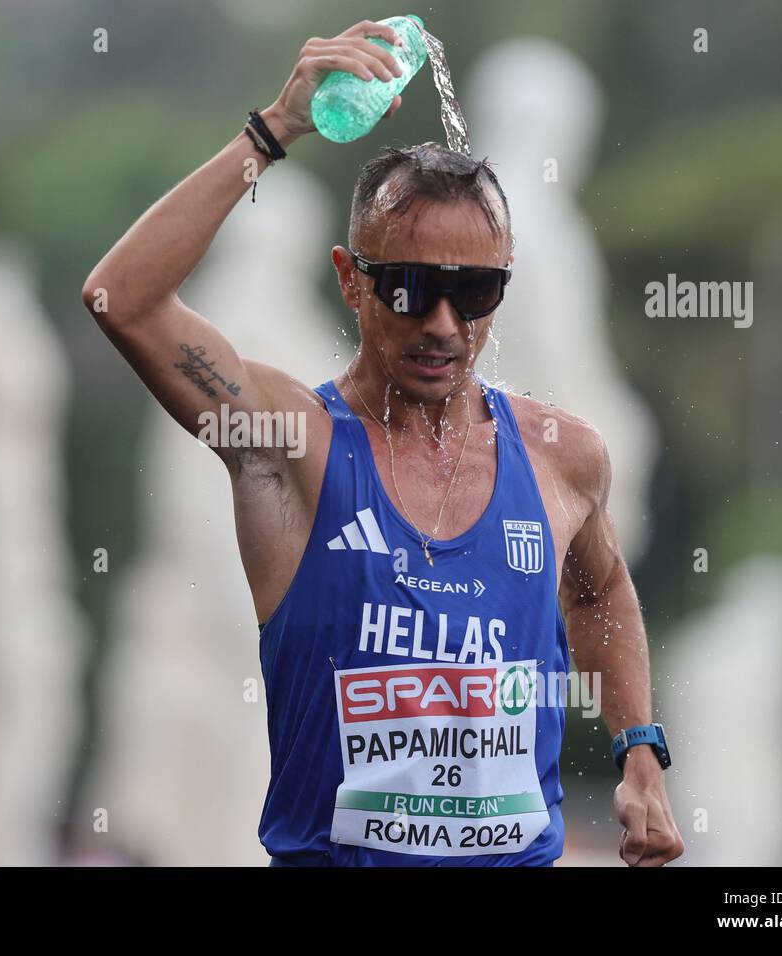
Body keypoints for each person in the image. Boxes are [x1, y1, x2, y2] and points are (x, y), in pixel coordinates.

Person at [83, 18, 684, 867]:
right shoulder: (291, 444)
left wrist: (639, 751)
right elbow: (123, 300)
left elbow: (600, 594)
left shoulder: (563, 456)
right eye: (409, 289)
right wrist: (273, 130)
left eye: (473, 292)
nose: (443, 326)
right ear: (348, 280)